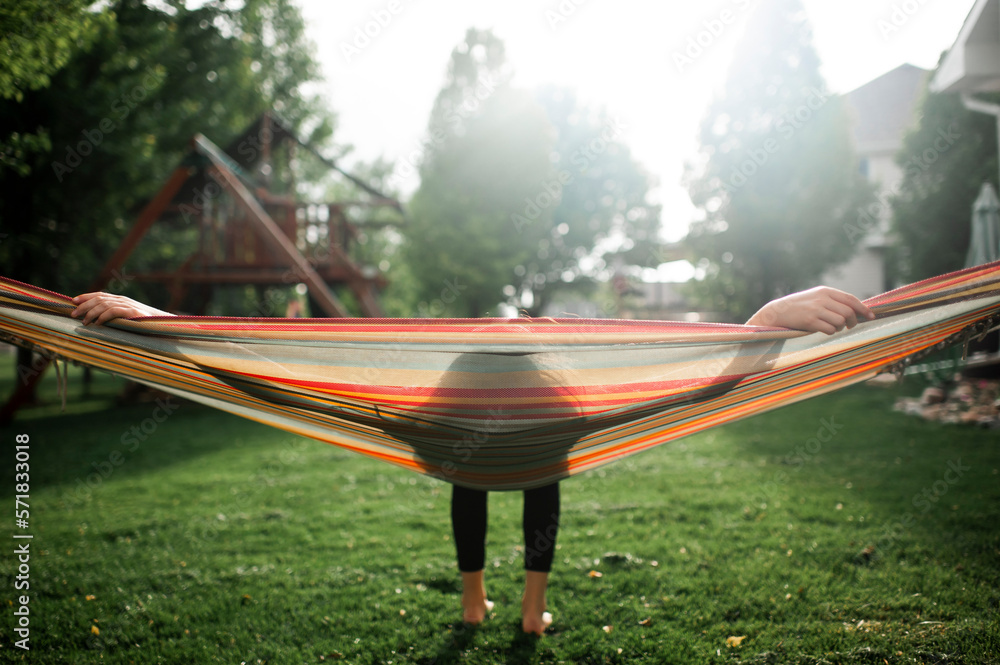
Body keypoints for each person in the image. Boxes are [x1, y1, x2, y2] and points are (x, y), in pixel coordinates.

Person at [70, 286, 875, 636]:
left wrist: (163, 322)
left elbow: (267, 382)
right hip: (547, 438)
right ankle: (530, 610)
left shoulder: (419, 420)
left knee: (472, 477)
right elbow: (698, 392)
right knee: (540, 476)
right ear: (536, 377)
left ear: (458, 378)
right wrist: (763, 322)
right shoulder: (569, 416)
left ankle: (473, 605)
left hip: (450, 441)